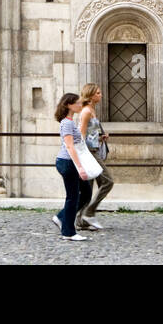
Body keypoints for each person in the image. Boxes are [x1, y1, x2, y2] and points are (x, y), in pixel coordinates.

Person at [75, 82, 113, 231]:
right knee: (108, 181)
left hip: (94, 150)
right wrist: (82, 156)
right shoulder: (85, 112)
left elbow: (91, 133)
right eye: (98, 93)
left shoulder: (92, 110)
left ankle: (81, 221)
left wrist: (101, 137)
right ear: (90, 95)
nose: (100, 95)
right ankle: (89, 212)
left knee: (88, 189)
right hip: (89, 153)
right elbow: (81, 134)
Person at [53, 92, 89, 241]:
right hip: (68, 162)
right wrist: (80, 167)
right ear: (69, 105)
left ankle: (61, 217)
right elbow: (70, 147)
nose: (80, 105)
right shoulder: (67, 123)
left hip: (70, 162)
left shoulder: (70, 121)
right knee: (72, 197)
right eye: (78, 103)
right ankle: (68, 232)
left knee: (86, 192)